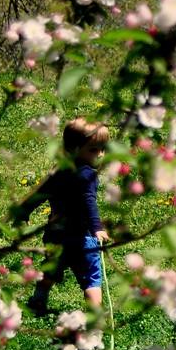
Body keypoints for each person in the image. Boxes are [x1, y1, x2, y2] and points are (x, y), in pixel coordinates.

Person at [15, 117, 111, 314]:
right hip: (82, 237)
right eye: (93, 149)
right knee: (92, 278)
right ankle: (94, 316)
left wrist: (24, 210)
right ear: (74, 148)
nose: (100, 154)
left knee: (51, 269)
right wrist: (97, 228)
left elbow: (41, 192)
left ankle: (38, 300)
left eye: (103, 148)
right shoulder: (87, 175)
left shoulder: (59, 171)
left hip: (56, 236)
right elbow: (88, 202)